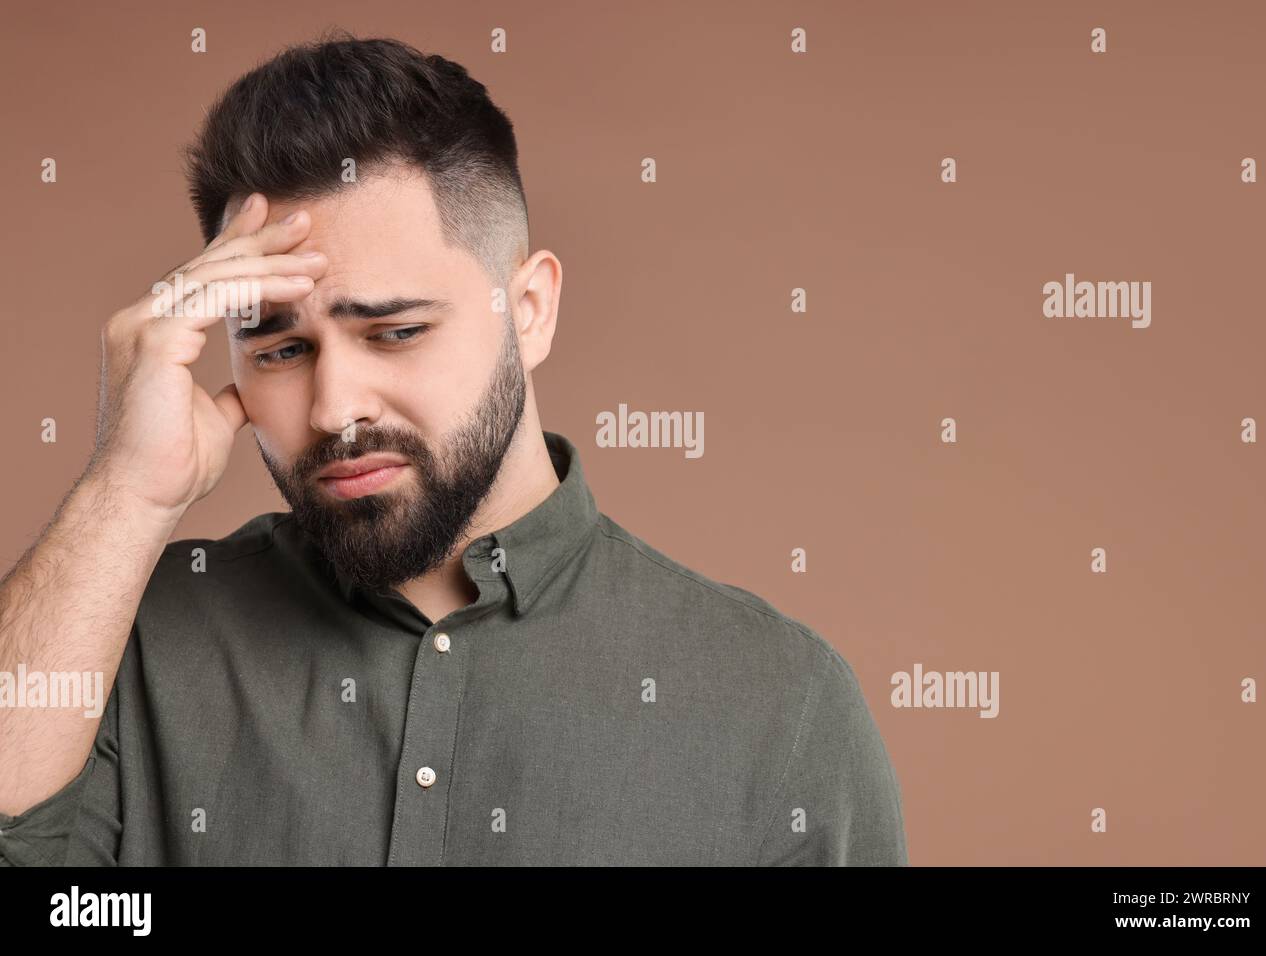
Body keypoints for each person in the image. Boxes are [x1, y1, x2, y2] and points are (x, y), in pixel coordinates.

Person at [0, 35, 907, 866]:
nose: (334, 409)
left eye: (394, 331)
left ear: (531, 310)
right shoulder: (124, 645)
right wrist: (124, 491)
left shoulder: (779, 707)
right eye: (279, 349)